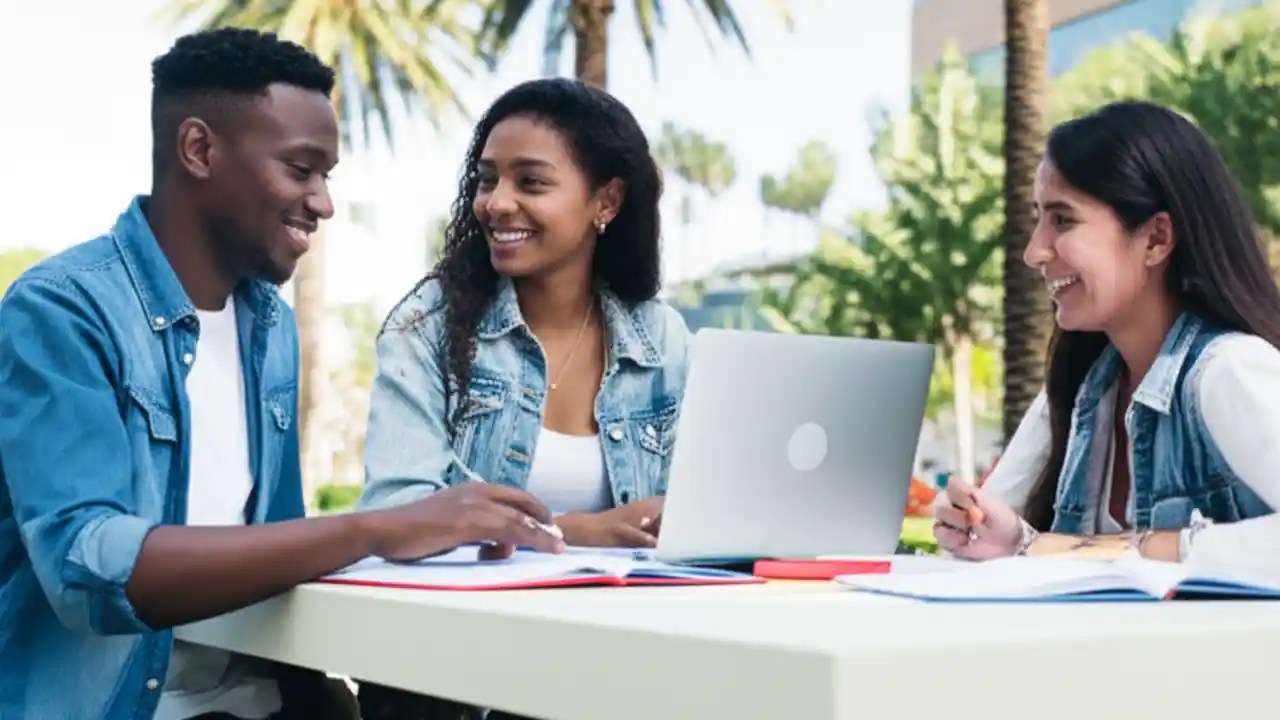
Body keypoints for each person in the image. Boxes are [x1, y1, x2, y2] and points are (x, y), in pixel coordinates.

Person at [0, 29, 561, 720]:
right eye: (301, 169)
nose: (323, 202)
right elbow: (87, 566)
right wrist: (378, 528)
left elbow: (274, 537)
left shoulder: (267, 327)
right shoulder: (61, 310)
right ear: (199, 150)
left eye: (326, 176)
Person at [354, 77, 688, 720]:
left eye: (530, 183)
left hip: (615, 667)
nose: (497, 203)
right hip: (449, 682)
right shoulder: (426, 326)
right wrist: (569, 534)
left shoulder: (660, 335)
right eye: (487, 180)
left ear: (606, 202)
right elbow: (396, 511)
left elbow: (701, 513)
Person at [933, 100, 1280, 566]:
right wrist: (978, 528)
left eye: (1063, 220)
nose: (1034, 252)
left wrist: (1131, 548)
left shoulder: (1227, 371)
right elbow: (993, 536)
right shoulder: (1081, 389)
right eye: (1038, 218)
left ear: (1156, 238)